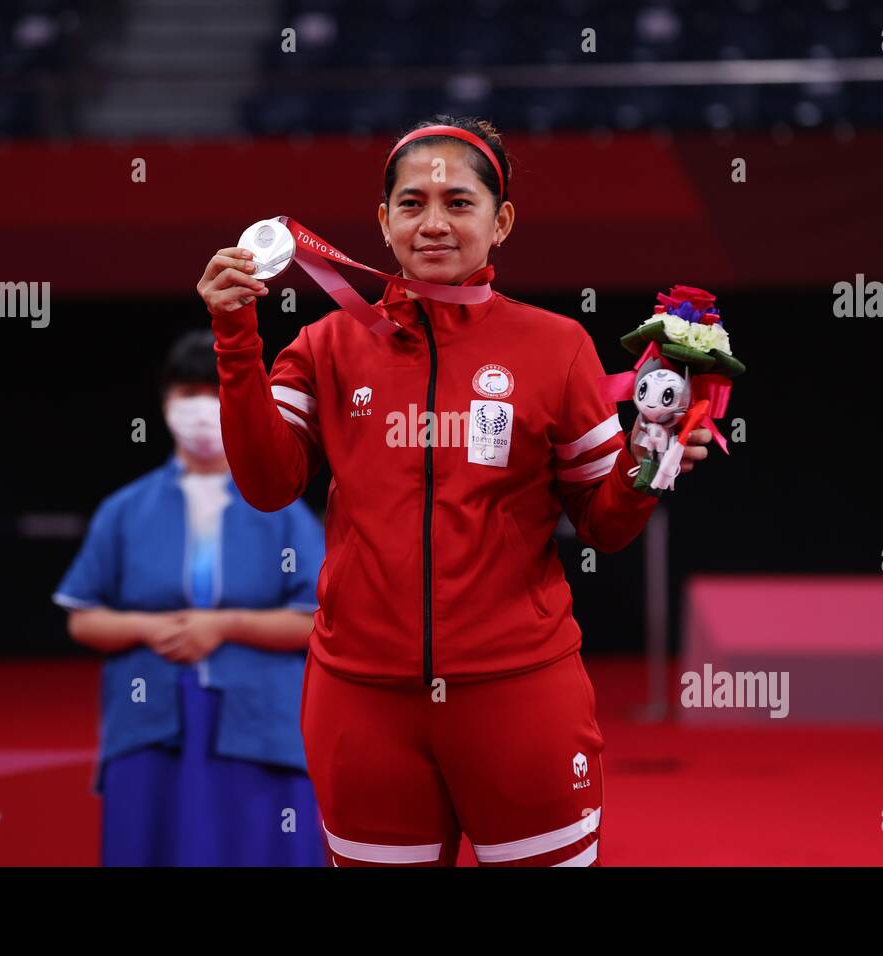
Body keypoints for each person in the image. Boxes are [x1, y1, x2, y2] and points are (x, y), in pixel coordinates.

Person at [196, 115, 713, 867]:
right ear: (383, 221)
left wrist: (650, 460)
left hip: (520, 696)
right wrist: (235, 336)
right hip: (362, 701)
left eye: (459, 203)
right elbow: (269, 485)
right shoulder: (327, 345)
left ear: (501, 221)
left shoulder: (556, 345)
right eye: (411, 204)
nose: (433, 223)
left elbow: (603, 528)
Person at [52, 330, 327, 866]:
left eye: (216, 394)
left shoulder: (282, 509)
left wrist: (224, 626)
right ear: (165, 404)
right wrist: (149, 629)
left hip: (261, 727)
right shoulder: (124, 510)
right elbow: (82, 618)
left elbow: (319, 621)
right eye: (187, 394)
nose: (202, 410)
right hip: (147, 723)